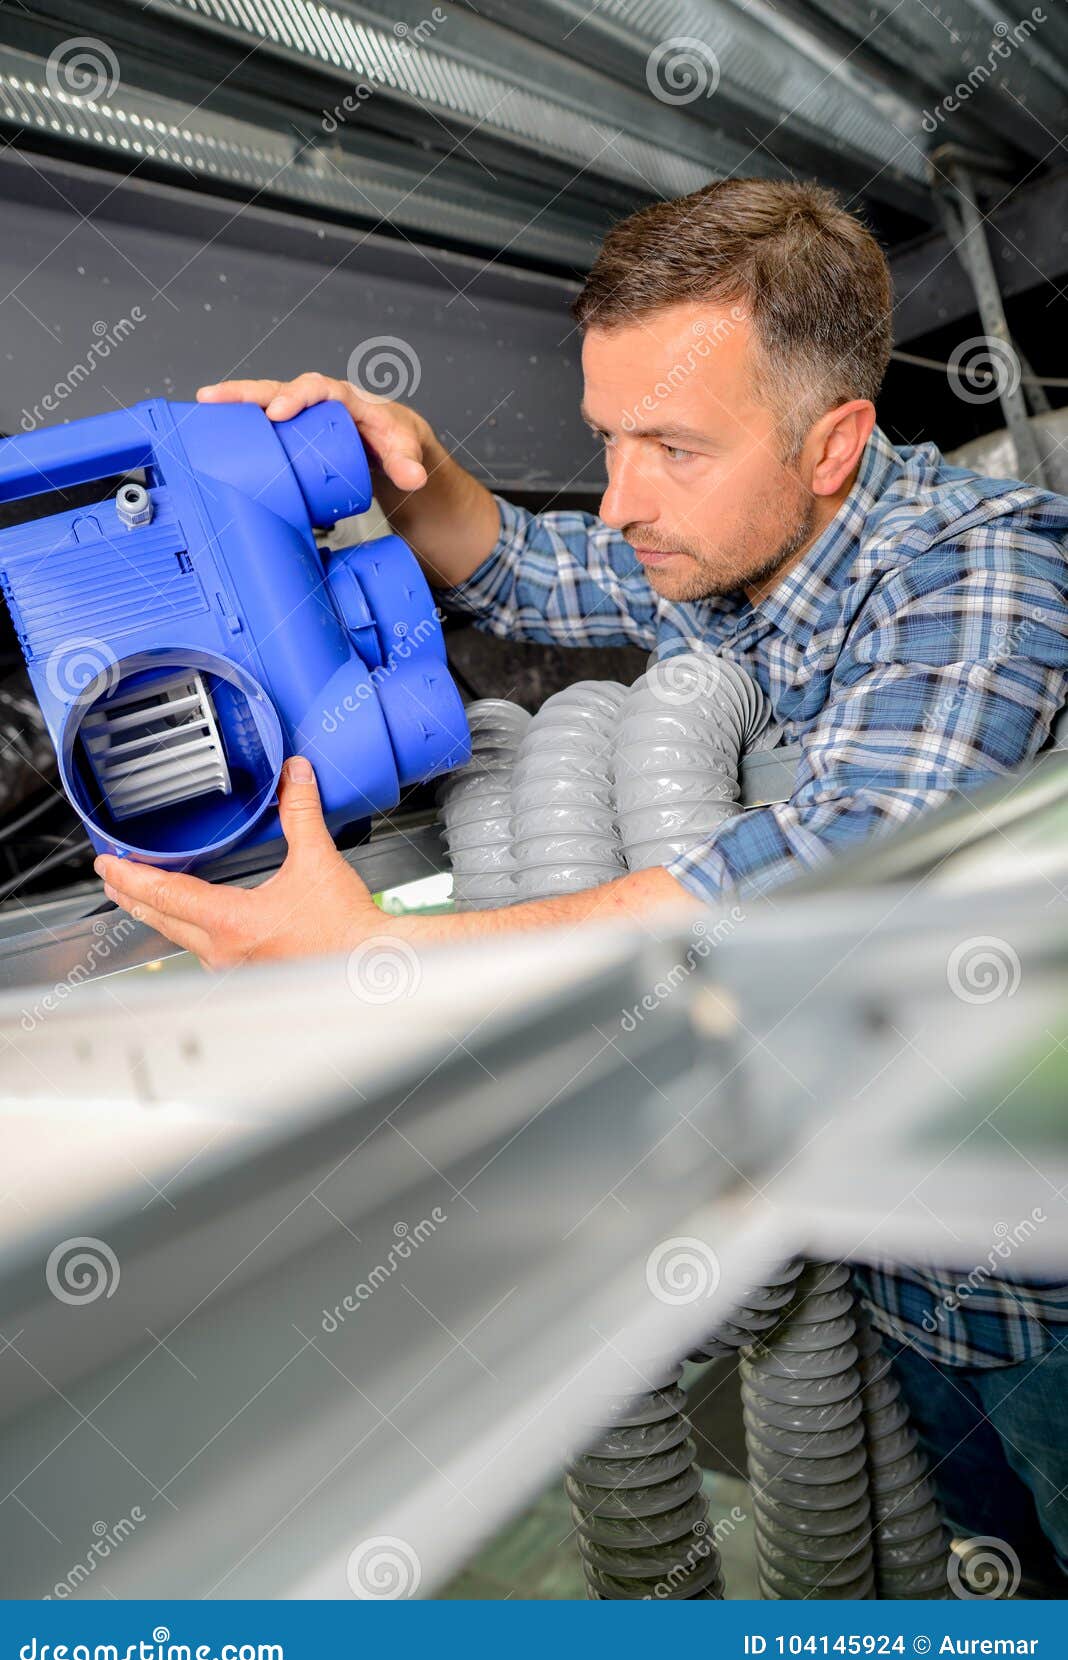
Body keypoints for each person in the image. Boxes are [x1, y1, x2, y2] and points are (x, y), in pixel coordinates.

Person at [95, 178, 1068, 1585]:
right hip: (893, 1264)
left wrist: (369, 956)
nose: (619, 498)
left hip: (1034, 1299)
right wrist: (407, 473)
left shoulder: (984, 570)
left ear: (836, 443)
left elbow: (820, 883)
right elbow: (535, 570)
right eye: (609, 438)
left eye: (671, 447)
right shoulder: (746, 540)